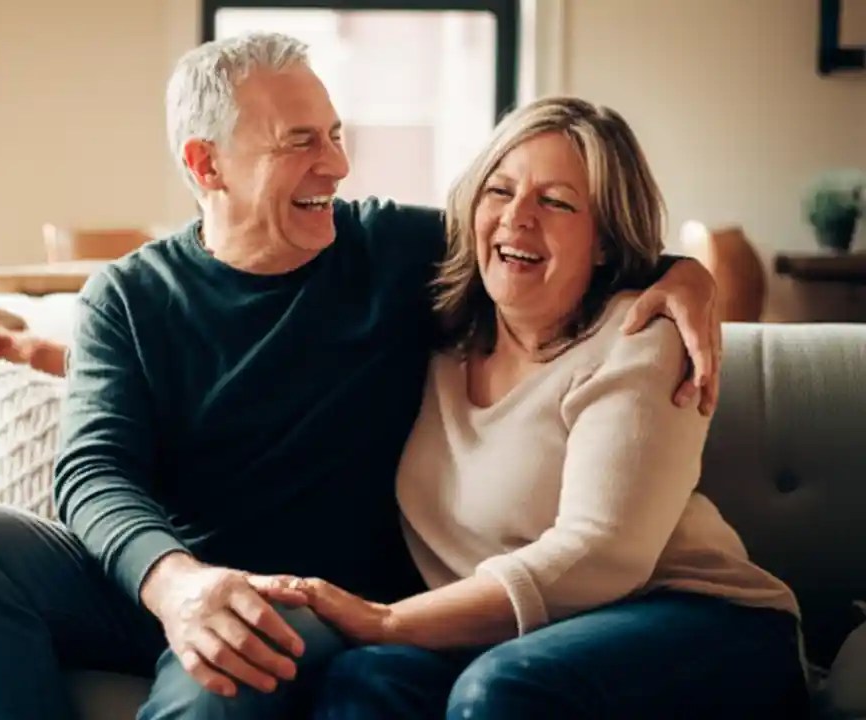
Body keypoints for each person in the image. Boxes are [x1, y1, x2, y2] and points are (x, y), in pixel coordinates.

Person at [0, 33, 721, 720]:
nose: (336, 164)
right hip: (172, 576)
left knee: (223, 680)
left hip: (305, 595)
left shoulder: (393, 251)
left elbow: (549, 241)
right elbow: (93, 471)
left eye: (334, 134)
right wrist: (174, 583)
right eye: (300, 143)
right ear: (207, 164)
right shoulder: (128, 296)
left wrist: (688, 276)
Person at [251, 97, 805, 719]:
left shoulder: (641, 333)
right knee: (364, 681)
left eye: (557, 202)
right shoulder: (433, 334)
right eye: (500, 191)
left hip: (700, 623)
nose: (518, 218)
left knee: (502, 690)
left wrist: (388, 621)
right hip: (515, 639)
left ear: (604, 240)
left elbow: (602, 553)